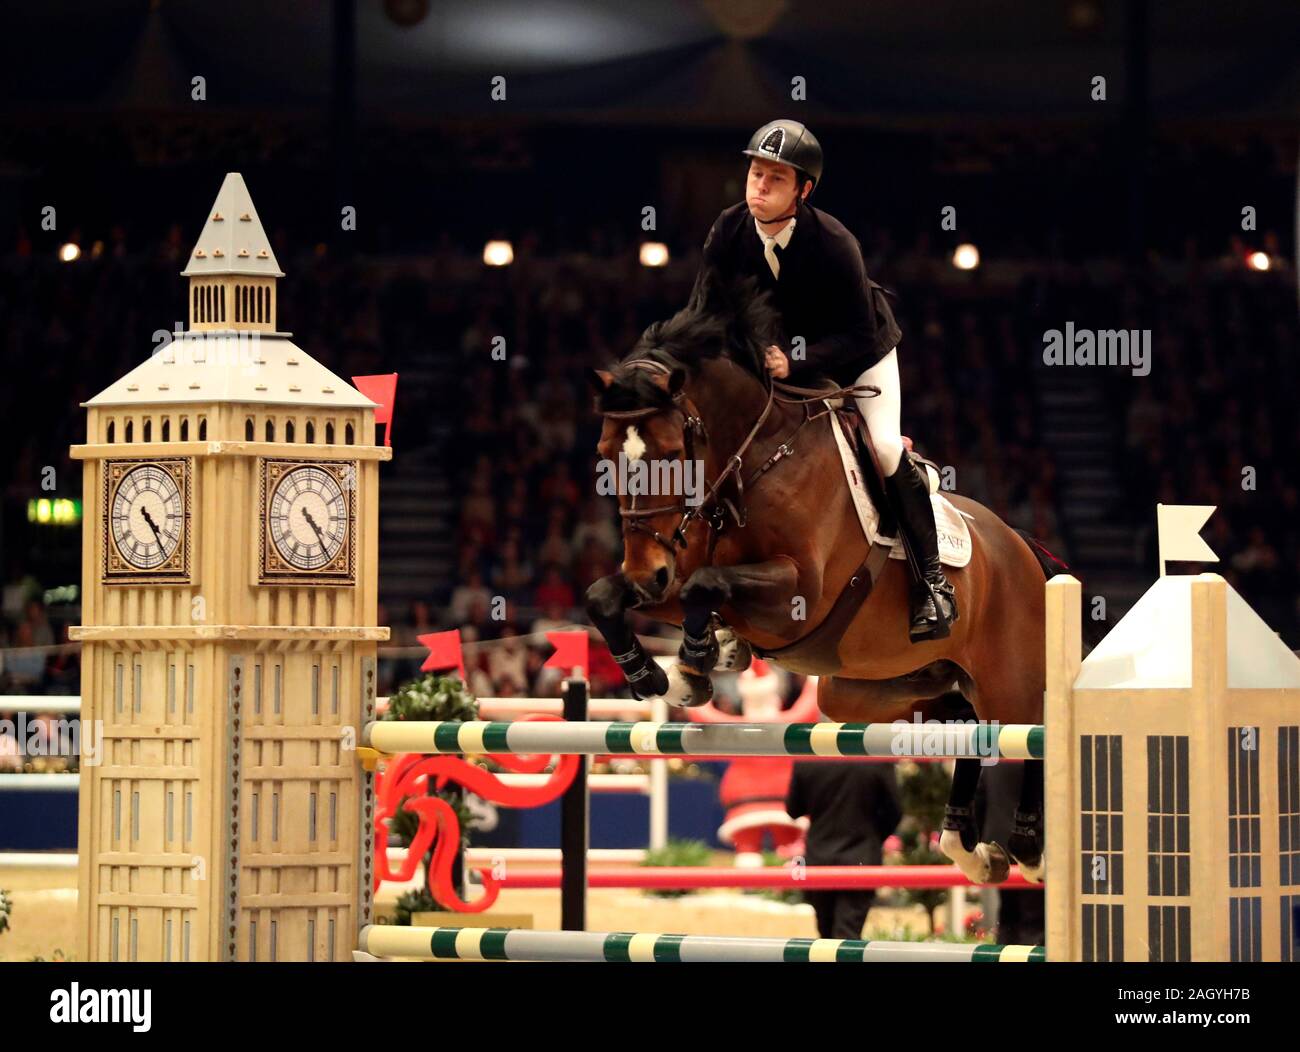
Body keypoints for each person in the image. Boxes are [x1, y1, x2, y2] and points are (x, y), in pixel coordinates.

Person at [693, 118, 955, 641]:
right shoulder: (728, 230)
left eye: (775, 178)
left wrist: (796, 361)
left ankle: (933, 585)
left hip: (858, 354)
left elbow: (858, 333)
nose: (759, 187)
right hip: (773, 360)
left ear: (803, 190)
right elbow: (707, 311)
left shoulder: (834, 242)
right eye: (754, 173)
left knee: (881, 448)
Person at [785, 757, 903, 939]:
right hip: (861, 859)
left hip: (819, 858)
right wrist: (872, 836)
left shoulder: (807, 759)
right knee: (848, 935)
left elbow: (793, 809)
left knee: (825, 935)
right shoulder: (876, 759)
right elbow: (895, 810)